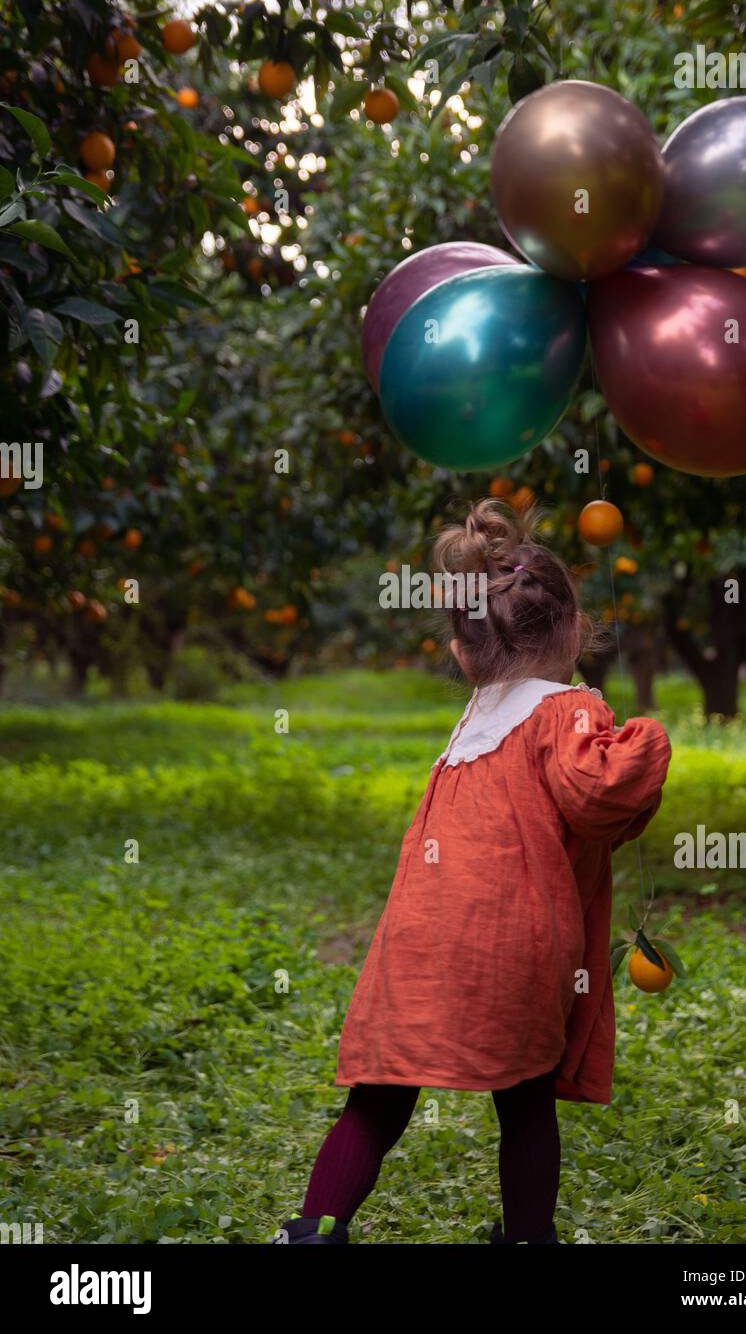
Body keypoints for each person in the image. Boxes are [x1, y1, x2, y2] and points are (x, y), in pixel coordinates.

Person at [274, 499, 671, 1245]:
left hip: (415, 947)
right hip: (511, 949)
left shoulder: (476, 717)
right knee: (524, 1102)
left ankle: (315, 1231)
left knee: (378, 1098)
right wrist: (647, 738)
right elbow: (600, 793)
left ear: (463, 651)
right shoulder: (565, 710)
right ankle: (526, 1238)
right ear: (574, 627)